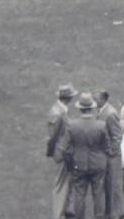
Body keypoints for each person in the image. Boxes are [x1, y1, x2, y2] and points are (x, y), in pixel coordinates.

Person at [56, 93, 109, 219]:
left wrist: (70, 159)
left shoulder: (72, 125)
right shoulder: (101, 125)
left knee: (79, 195)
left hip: (78, 164)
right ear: (92, 108)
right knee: (98, 194)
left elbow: (63, 147)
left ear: (80, 108)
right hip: (98, 164)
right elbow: (107, 146)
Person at [47, 85, 76, 219]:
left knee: (68, 180)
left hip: (66, 151)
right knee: (60, 183)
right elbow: (53, 137)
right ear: (68, 98)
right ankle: (58, 215)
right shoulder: (58, 113)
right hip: (62, 152)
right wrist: (53, 152)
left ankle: (67, 209)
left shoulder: (61, 110)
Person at [95, 90, 124, 219]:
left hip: (112, 155)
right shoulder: (100, 110)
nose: (94, 101)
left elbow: (117, 136)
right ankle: (110, 212)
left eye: (96, 98)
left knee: (114, 183)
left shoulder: (110, 113)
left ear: (103, 99)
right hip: (105, 153)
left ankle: (117, 213)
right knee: (108, 183)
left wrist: (112, 152)